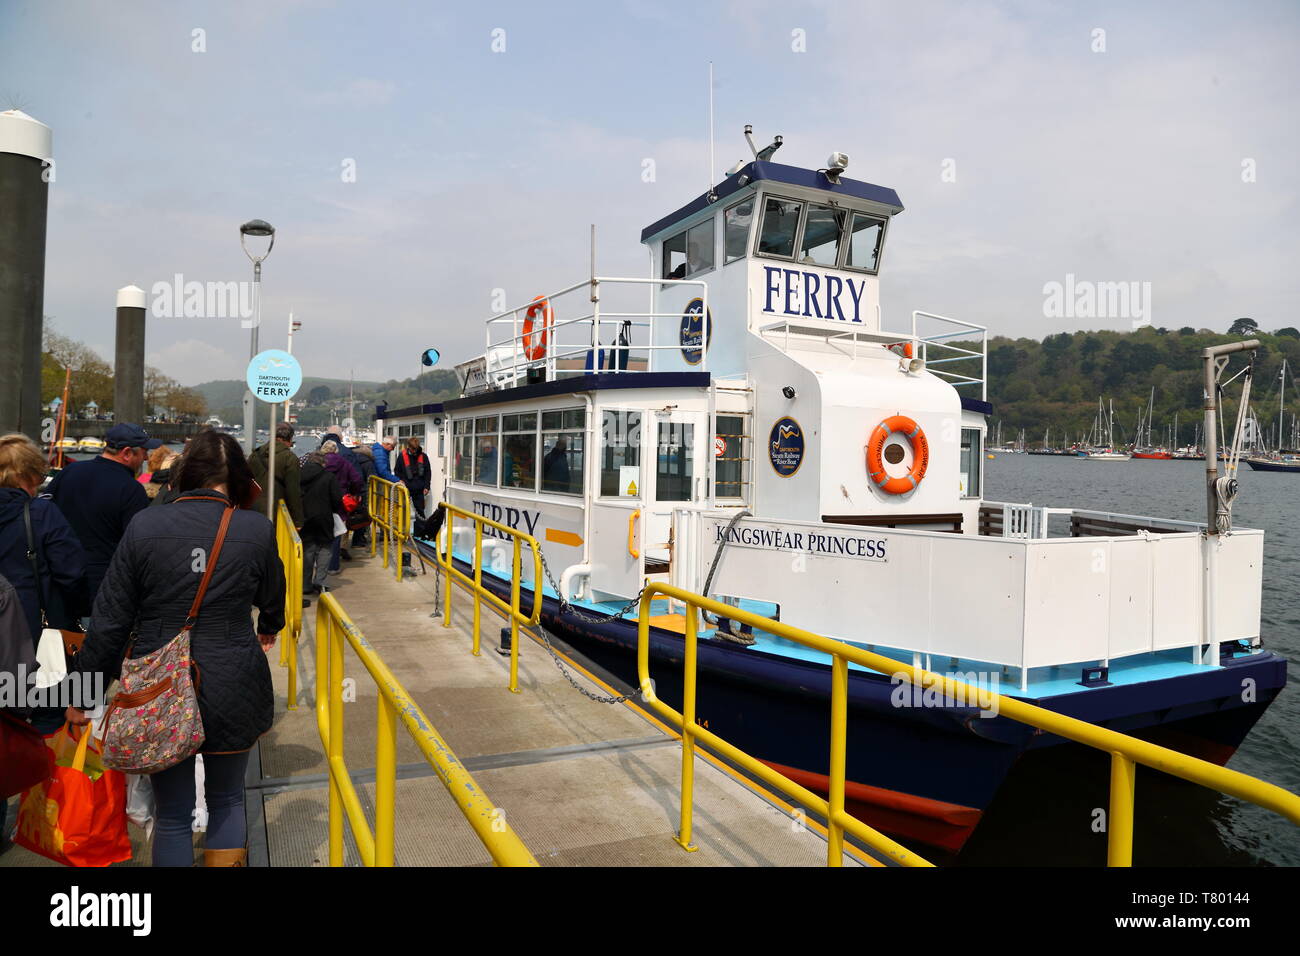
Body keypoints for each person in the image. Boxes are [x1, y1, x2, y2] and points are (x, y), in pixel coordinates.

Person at [66, 430, 285, 867]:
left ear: (184, 475)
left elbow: (110, 621)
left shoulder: (145, 525)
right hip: (232, 675)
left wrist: (81, 696)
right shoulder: (255, 528)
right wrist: (270, 626)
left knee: (172, 814)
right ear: (241, 478)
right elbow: (273, 599)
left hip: (159, 682)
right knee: (226, 799)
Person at [0, 435, 88, 733]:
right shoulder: (40, 513)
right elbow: (72, 573)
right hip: (37, 637)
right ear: (28, 474)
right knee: (46, 722)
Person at [47, 422, 157, 605]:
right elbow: (138, 545)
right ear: (127, 453)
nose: (146, 458)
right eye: (144, 451)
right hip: (104, 584)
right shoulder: (131, 490)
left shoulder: (69, 472)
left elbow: (43, 514)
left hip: (60, 575)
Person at [298, 451, 342, 602]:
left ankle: (305, 584)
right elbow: (337, 500)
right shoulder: (329, 477)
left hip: (304, 517)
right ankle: (320, 580)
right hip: (324, 517)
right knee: (325, 548)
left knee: (307, 549)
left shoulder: (298, 475)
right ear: (322, 463)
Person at [249, 422, 304, 527]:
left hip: (253, 510)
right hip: (277, 512)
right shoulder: (290, 458)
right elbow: (293, 491)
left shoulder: (255, 455)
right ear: (289, 438)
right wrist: (298, 521)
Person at [321, 439, 360, 570]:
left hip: (322, 499)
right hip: (340, 500)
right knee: (337, 532)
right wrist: (354, 492)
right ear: (336, 450)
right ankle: (333, 566)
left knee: (321, 532)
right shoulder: (345, 463)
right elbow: (357, 479)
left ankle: (321, 564)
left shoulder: (319, 462)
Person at [394, 436, 430, 517]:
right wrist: (400, 480)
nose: (414, 451)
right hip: (405, 488)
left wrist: (427, 486)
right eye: (413, 449)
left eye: (416, 449)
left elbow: (428, 472)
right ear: (408, 447)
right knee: (403, 510)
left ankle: (420, 529)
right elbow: (397, 470)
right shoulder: (401, 456)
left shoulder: (424, 456)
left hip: (419, 490)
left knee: (420, 512)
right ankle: (403, 529)